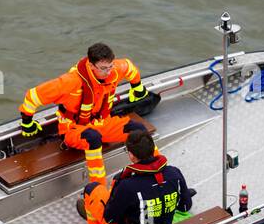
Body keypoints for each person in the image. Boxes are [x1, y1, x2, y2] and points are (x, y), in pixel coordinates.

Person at [19, 42, 161, 150]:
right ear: (91, 66)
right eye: (104, 68)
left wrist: (138, 88)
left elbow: (130, 68)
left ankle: (155, 169)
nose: (109, 72)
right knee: (93, 138)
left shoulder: (113, 70)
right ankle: (97, 184)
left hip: (103, 123)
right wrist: (27, 122)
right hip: (74, 130)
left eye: (111, 66)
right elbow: (34, 95)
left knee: (139, 130)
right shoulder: (71, 82)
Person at [79, 130, 193, 224]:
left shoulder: (127, 185)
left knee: (91, 190)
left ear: (132, 155)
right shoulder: (174, 173)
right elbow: (185, 206)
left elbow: (110, 219)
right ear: (152, 149)